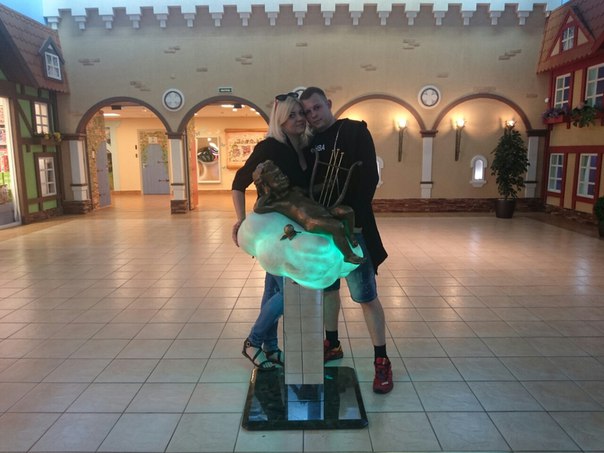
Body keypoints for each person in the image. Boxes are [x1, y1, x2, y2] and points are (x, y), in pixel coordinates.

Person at [300, 86, 393, 394]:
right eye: (307, 112)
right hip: (322, 230)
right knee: (328, 289)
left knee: (365, 295)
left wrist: (347, 216)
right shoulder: (309, 143)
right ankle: (332, 343)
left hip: (354, 229)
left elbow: (368, 180)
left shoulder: (353, 132)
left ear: (328, 104)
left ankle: (381, 360)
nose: (313, 115)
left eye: (317, 108)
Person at [232, 92, 311, 371]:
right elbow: (239, 182)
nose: (300, 119)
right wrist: (241, 221)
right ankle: (253, 341)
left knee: (273, 288)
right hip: (273, 230)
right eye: (292, 115)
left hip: (293, 230)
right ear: (280, 120)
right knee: (291, 289)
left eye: (301, 113)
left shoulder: (302, 146)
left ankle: (271, 347)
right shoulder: (269, 147)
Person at [251, 159, 364, 264]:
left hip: (325, 212)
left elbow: (312, 190)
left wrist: (325, 185)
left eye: (281, 174)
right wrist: (267, 193)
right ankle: (348, 255)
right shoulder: (279, 203)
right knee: (337, 226)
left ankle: (350, 235)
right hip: (311, 221)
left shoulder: (295, 190)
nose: (283, 178)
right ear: (266, 185)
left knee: (347, 211)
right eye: (277, 178)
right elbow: (258, 208)